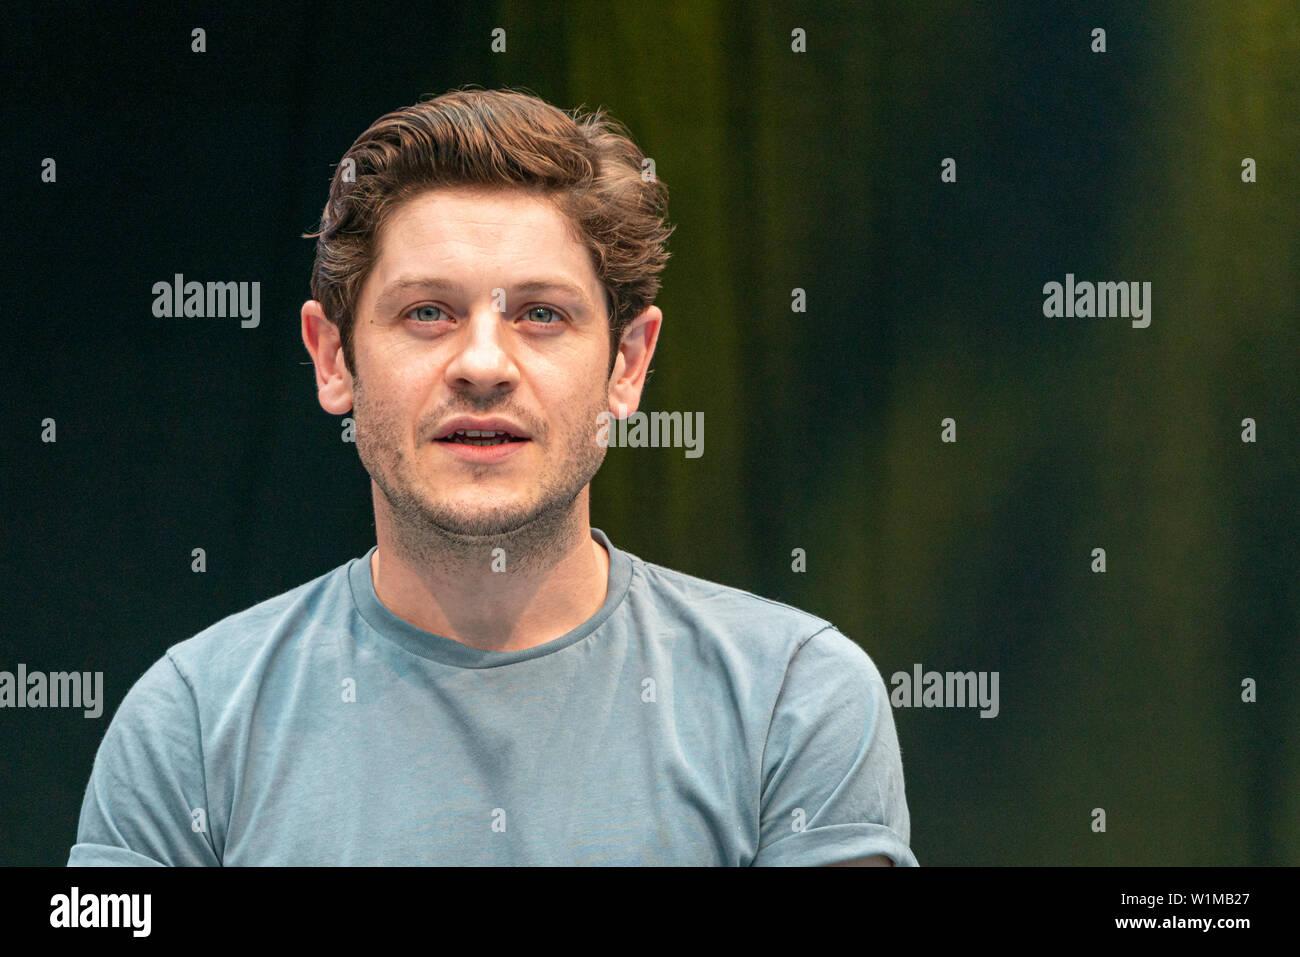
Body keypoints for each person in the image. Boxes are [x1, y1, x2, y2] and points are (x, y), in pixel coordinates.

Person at [67, 87, 917, 866]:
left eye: (541, 314)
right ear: (334, 358)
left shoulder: (795, 701)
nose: (482, 363)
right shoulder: (186, 723)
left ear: (628, 363)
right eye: (427, 312)